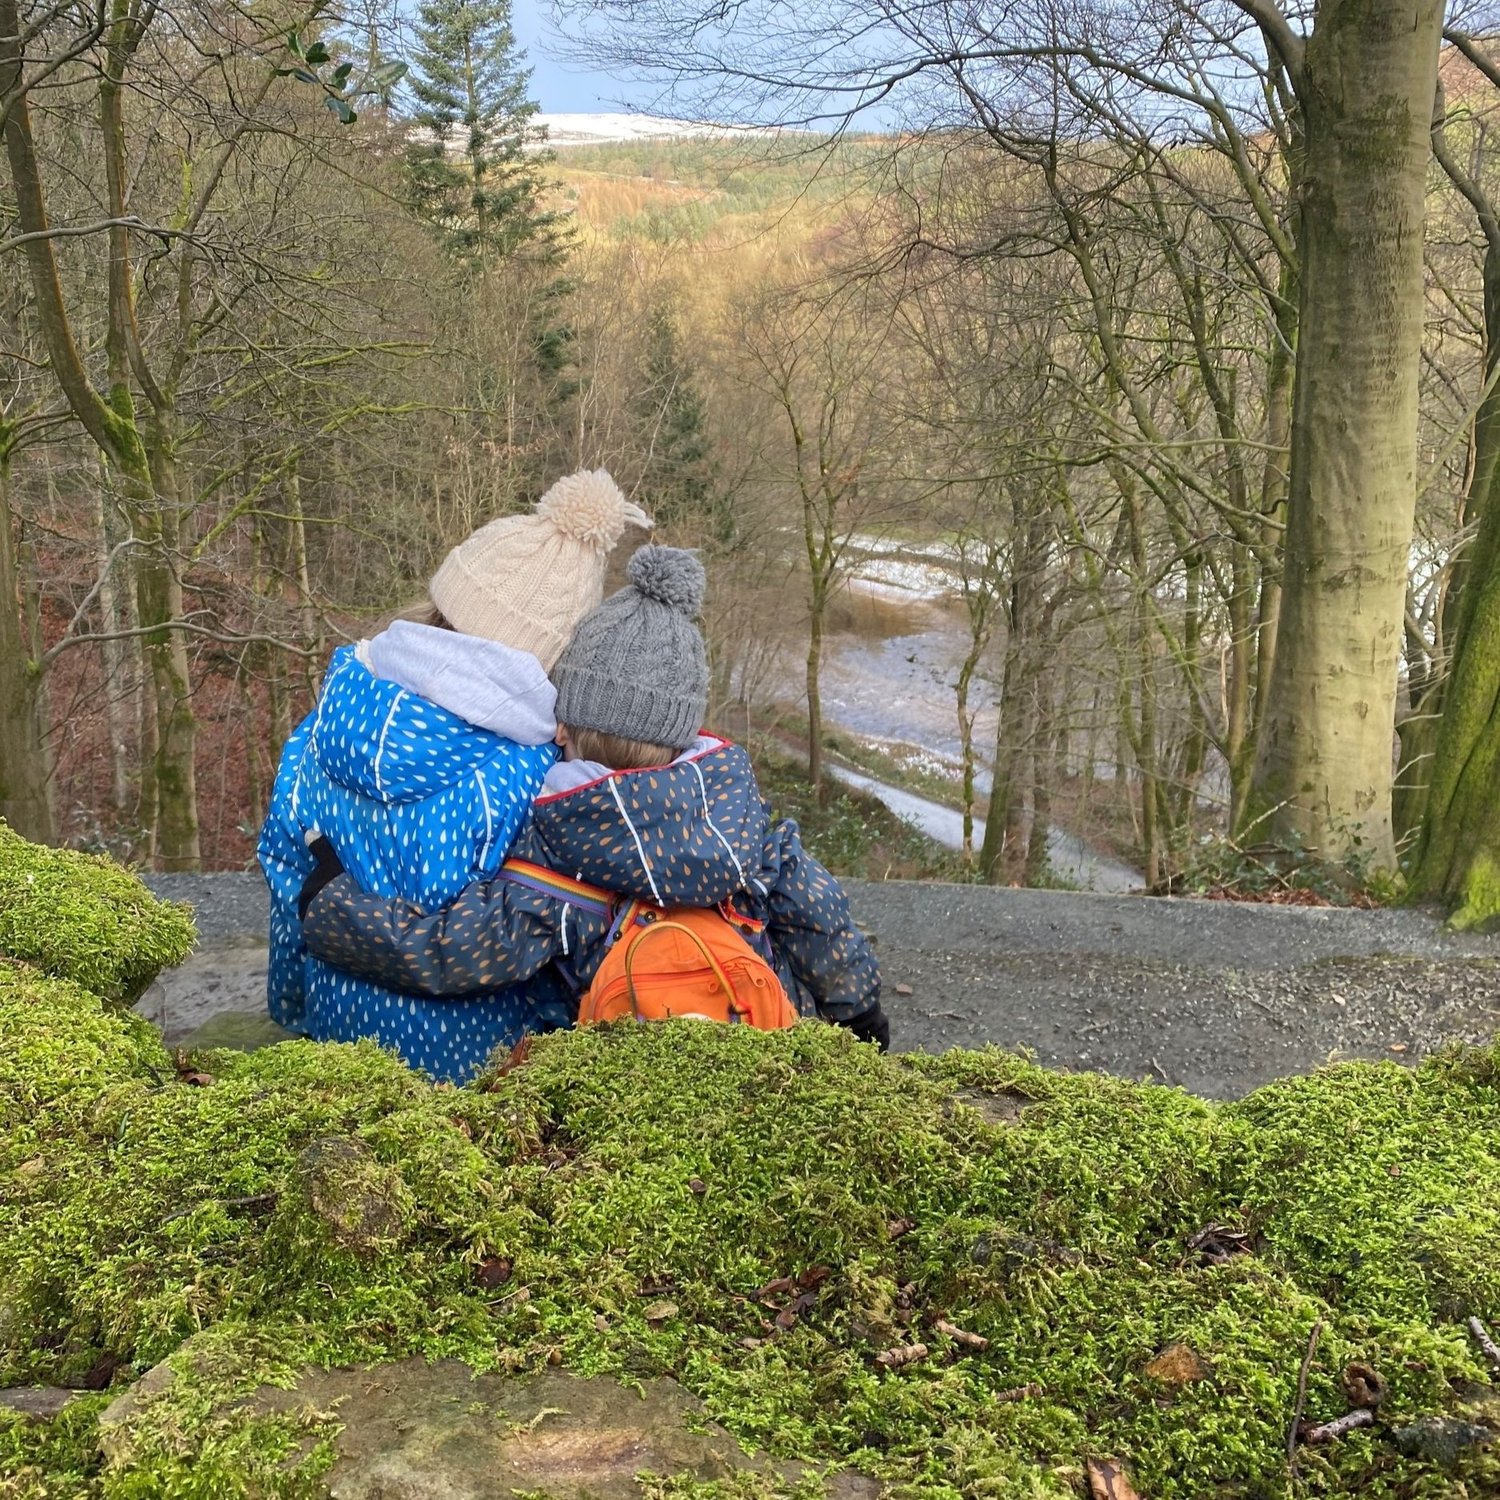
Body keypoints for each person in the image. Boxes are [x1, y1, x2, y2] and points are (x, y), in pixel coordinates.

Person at [298, 545, 890, 1050]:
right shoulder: (743, 827)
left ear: (564, 727)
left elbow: (443, 953)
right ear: (684, 733)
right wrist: (860, 1014)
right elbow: (823, 922)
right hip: (762, 1044)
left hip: (621, 1080)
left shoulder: (552, 866)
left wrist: (331, 903)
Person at [258, 470, 652, 1081]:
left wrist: (293, 1008)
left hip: (338, 1040)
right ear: (555, 655)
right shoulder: (536, 775)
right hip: (483, 1070)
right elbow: (546, 944)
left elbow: (290, 885)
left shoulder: (324, 723)